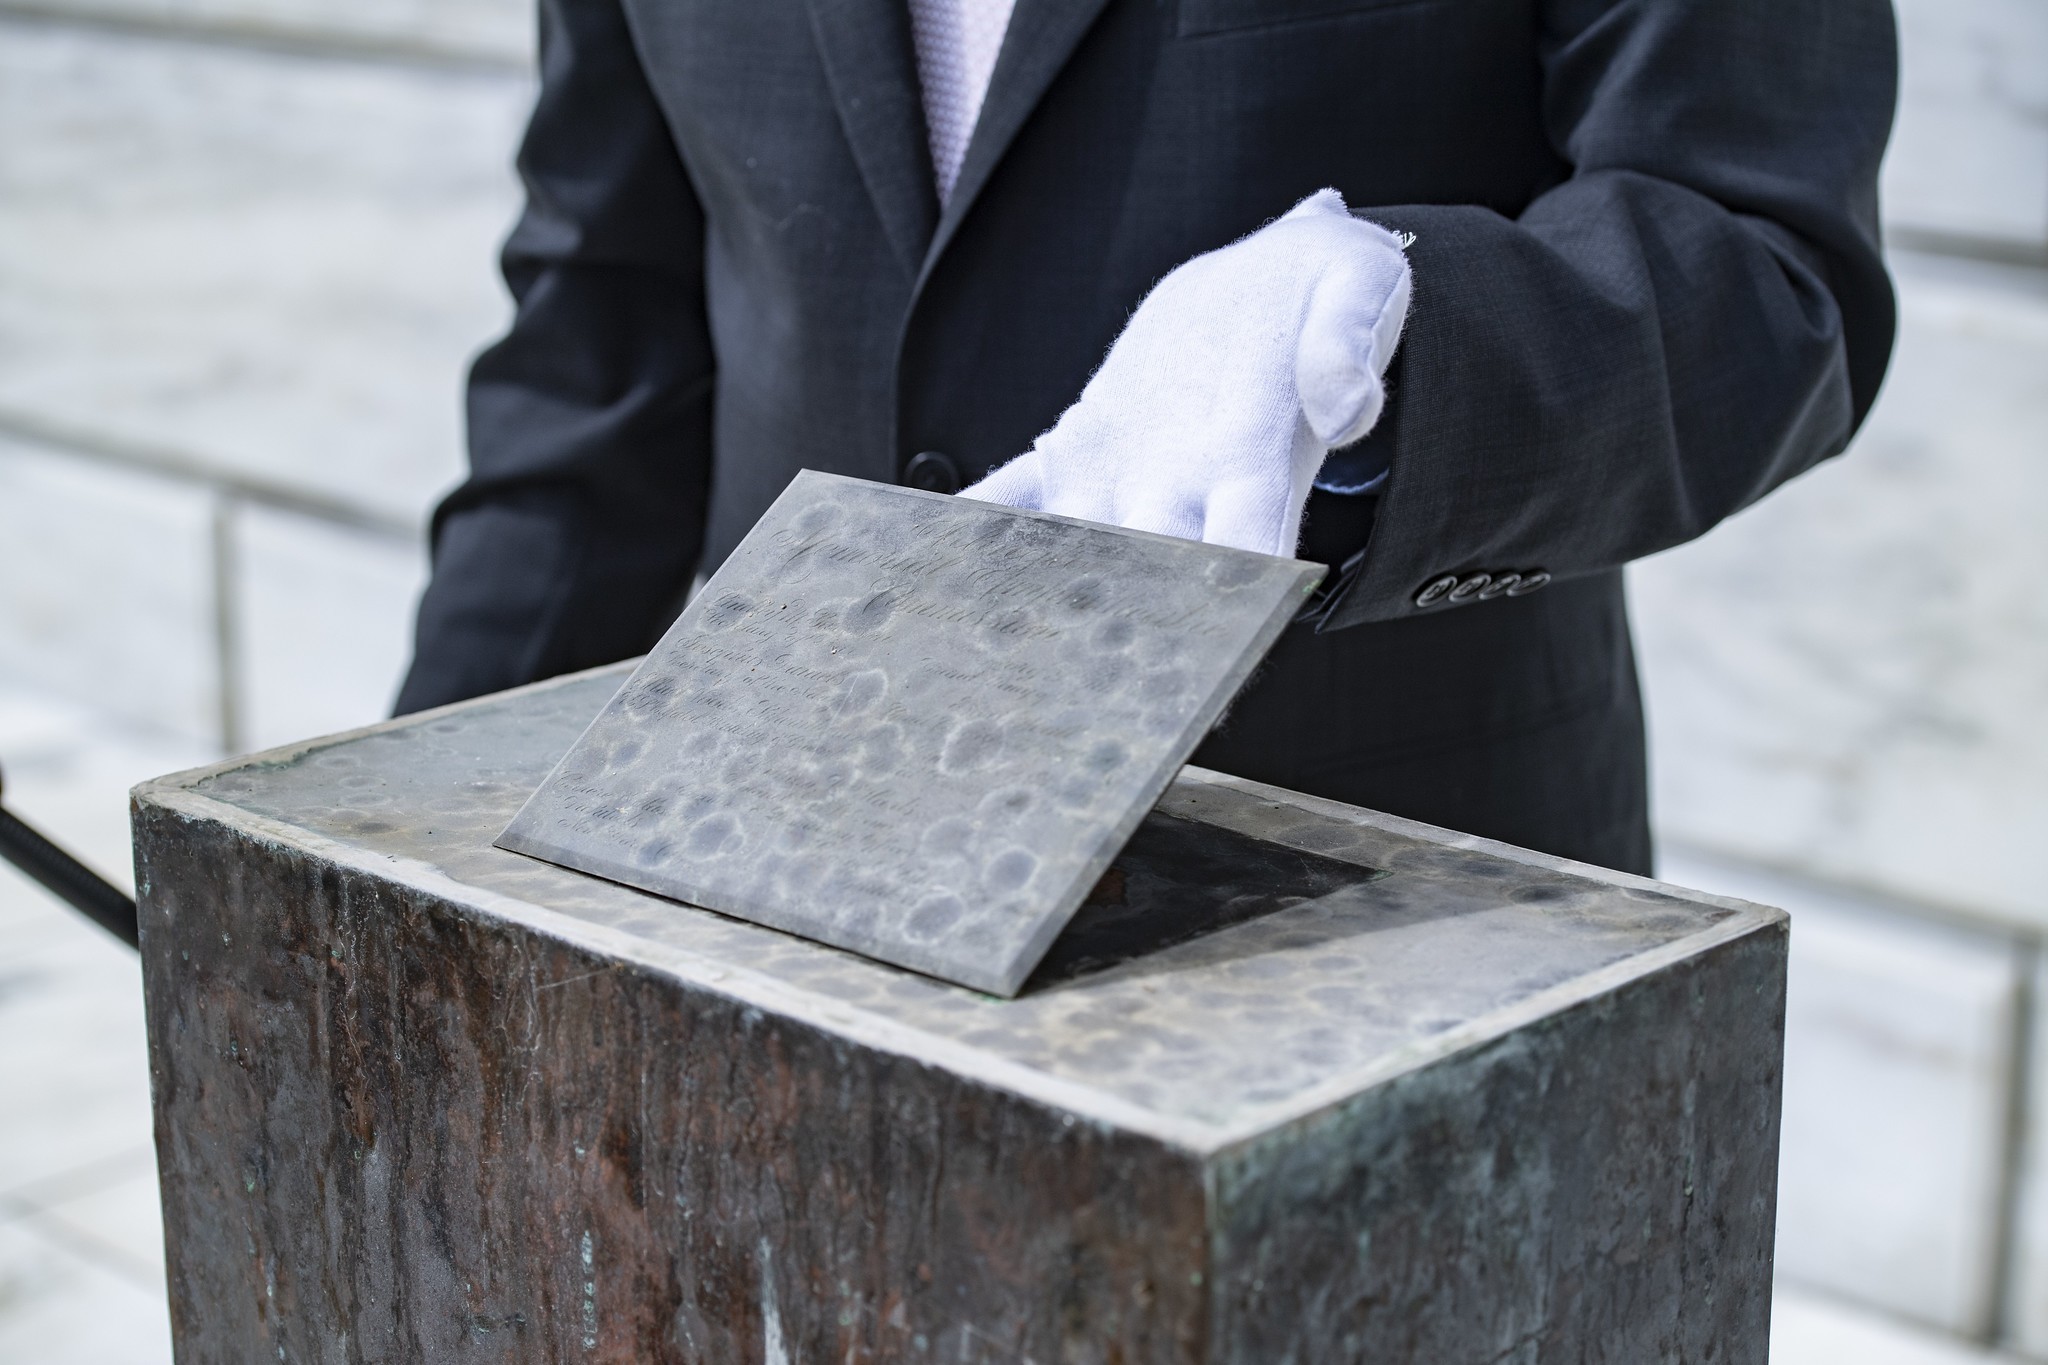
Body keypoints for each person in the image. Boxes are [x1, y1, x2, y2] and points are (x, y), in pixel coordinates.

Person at [396, 0, 1899, 875]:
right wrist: (389, 846)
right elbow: (605, 338)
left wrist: (1381, 333)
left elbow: (1762, 250)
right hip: (767, 886)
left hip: (1359, 921)